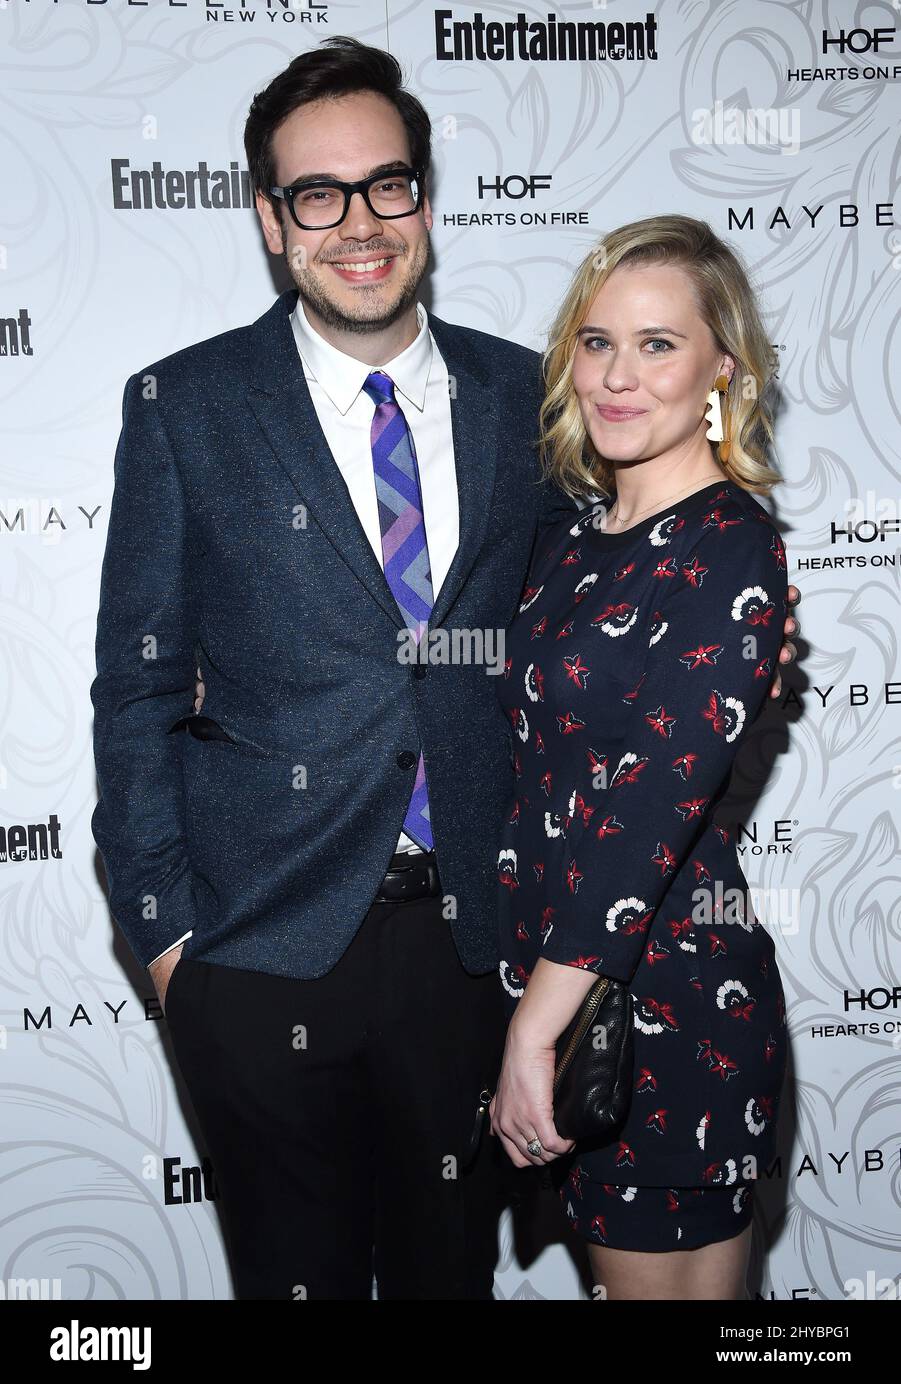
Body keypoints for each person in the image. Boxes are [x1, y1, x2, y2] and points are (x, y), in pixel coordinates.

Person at [90, 38, 799, 1301]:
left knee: (445, 1284)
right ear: (270, 217)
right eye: (318, 193)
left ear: (425, 195)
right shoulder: (184, 407)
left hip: (481, 950)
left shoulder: (526, 397)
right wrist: (168, 947)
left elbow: (625, 604)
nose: (358, 223)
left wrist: (743, 631)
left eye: (388, 185)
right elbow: (136, 691)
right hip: (256, 951)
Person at [490, 215, 791, 1302]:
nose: (619, 376)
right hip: (572, 998)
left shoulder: (729, 544)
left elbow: (647, 809)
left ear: (723, 369)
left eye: (658, 344)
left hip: (665, 1008)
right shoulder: (568, 542)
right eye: (597, 340)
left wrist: (535, 1028)